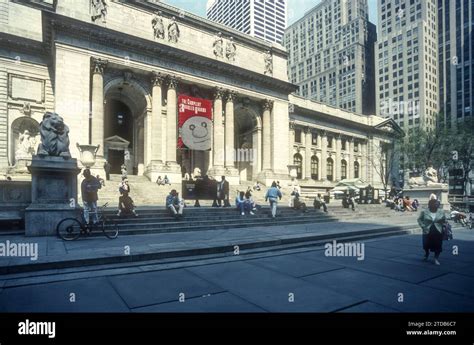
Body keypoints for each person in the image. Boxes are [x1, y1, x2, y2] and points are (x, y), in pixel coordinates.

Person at [417, 198, 447, 265]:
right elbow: (419, 219)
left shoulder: (441, 211)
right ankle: (427, 253)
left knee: (438, 245)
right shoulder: (424, 211)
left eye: (437, 204)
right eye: (435, 204)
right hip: (427, 230)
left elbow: (444, 220)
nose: (437, 205)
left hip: (438, 230)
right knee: (426, 245)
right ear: (431, 205)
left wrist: (444, 224)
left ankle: (436, 258)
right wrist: (423, 226)